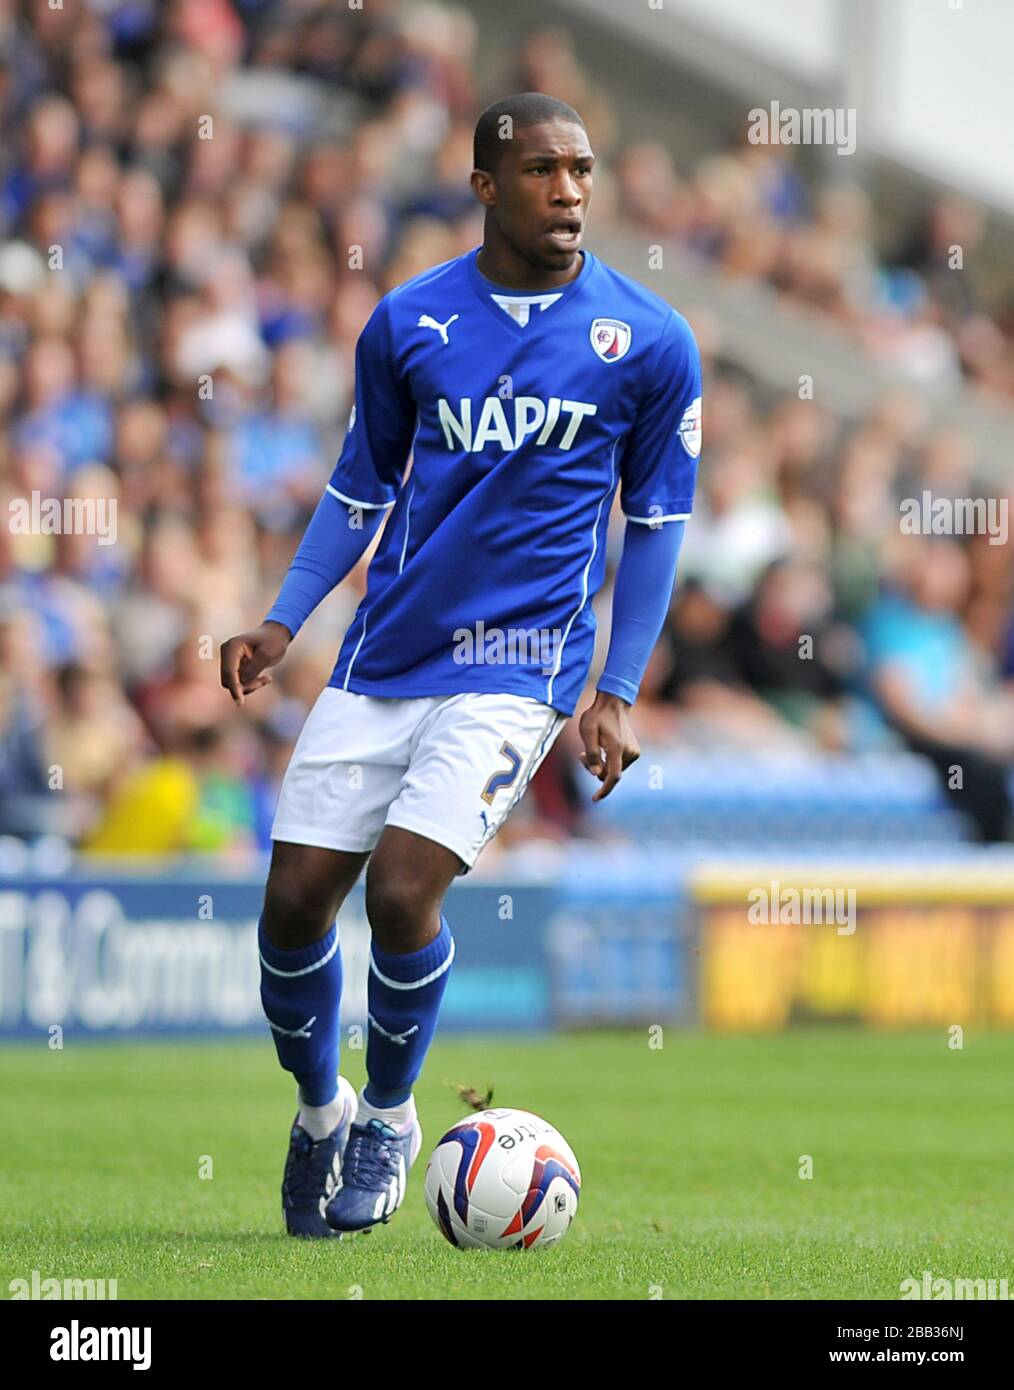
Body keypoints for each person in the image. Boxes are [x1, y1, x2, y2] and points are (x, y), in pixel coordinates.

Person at [220, 92, 702, 1238]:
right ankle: (325, 1108)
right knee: (291, 908)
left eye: (583, 170)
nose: (572, 192)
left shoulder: (647, 341)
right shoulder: (408, 322)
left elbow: (660, 522)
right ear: (486, 185)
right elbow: (360, 485)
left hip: (520, 667)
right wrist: (286, 619)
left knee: (399, 891)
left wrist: (617, 689)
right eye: (543, 171)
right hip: (385, 658)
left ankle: (390, 1113)